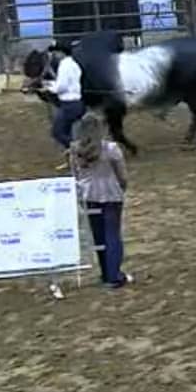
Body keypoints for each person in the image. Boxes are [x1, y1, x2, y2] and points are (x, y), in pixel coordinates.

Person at [70, 112, 132, 288]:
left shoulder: (75, 150)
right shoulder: (111, 149)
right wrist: (122, 188)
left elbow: (75, 175)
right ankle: (114, 276)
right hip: (111, 194)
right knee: (112, 234)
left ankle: (105, 273)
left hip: (88, 195)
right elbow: (122, 176)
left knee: (99, 237)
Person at [45, 40, 86, 150]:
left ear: (62, 52)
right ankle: (73, 157)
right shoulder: (73, 64)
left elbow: (61, 88)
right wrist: (51, 84)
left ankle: (79, 151)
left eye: (56, 52)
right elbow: (67, 84)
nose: (55, 55)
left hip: (68, 105)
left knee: (57, 133)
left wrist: (48, 88)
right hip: (77, 103)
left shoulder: (64, 66)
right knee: (67, 131)